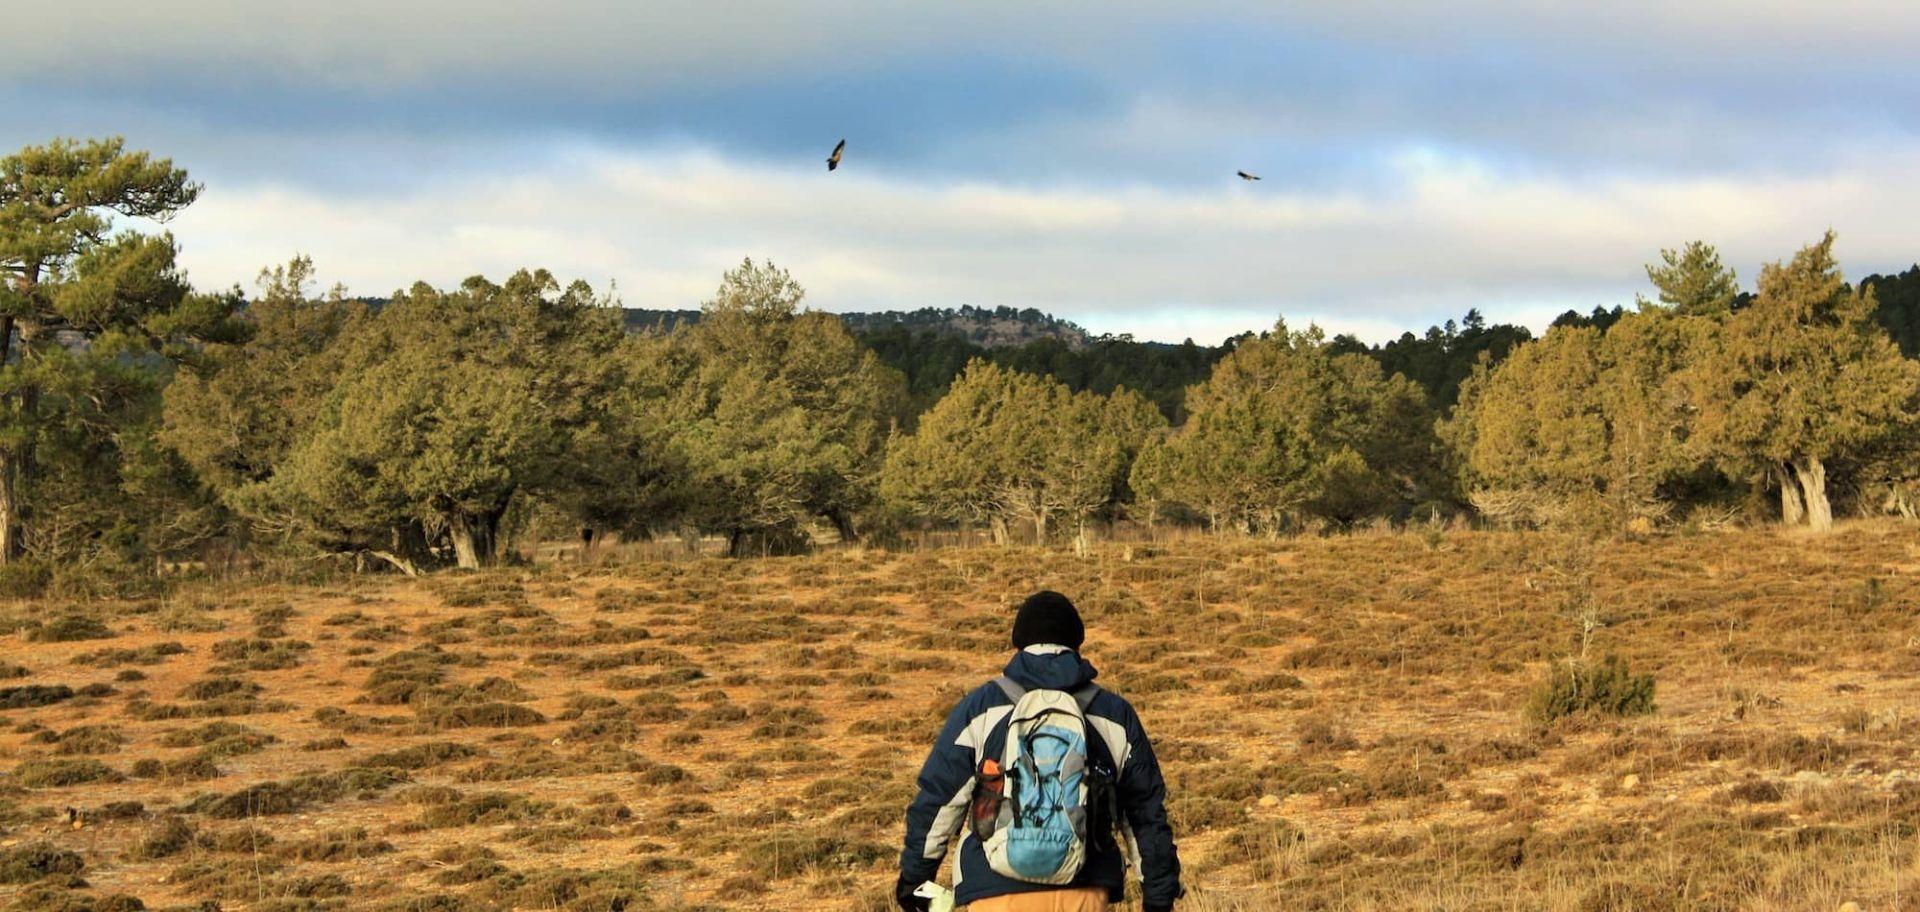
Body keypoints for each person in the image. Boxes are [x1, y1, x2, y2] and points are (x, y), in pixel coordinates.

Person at [896, 591, 1183, 912]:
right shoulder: (1114, 713)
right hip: (1085, 889)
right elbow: (1144, 813)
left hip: (993, 890)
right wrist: (1158, 894)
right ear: (1076, 643)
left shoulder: (981, 706)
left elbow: (940, 800)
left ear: (1019, 644)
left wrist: (915, 881)